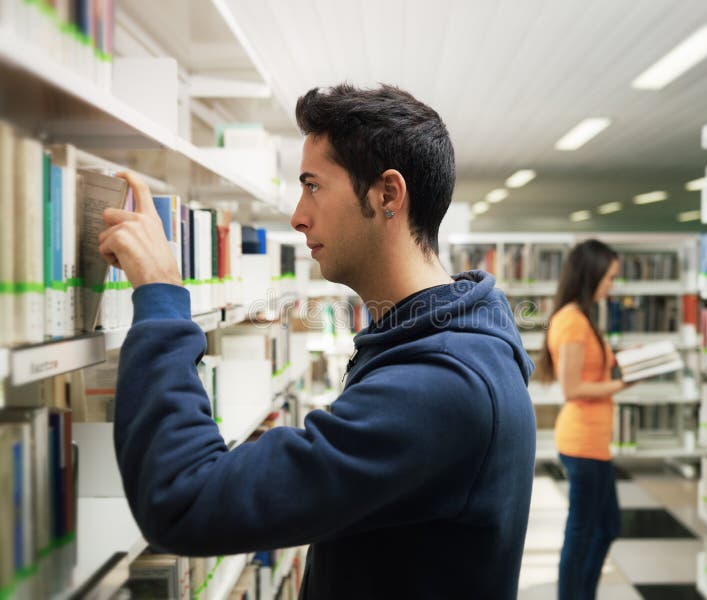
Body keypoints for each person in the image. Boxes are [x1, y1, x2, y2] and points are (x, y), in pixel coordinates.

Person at [99, 83, 536, 599]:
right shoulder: (438, 338)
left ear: (387, 195)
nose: (298, 215)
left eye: (313, 186)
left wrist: (161, 298)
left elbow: (184, 501)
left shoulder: (441, 384)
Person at [536, 239, 623, 600]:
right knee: (584, 532)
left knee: (606, 526)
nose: (612, 285)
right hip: (583, 442)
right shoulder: (572, 321)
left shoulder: (582, 317)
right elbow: (572, 387)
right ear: (592, 275)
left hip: (594, 442)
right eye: (609, 277)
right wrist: (621, 383)